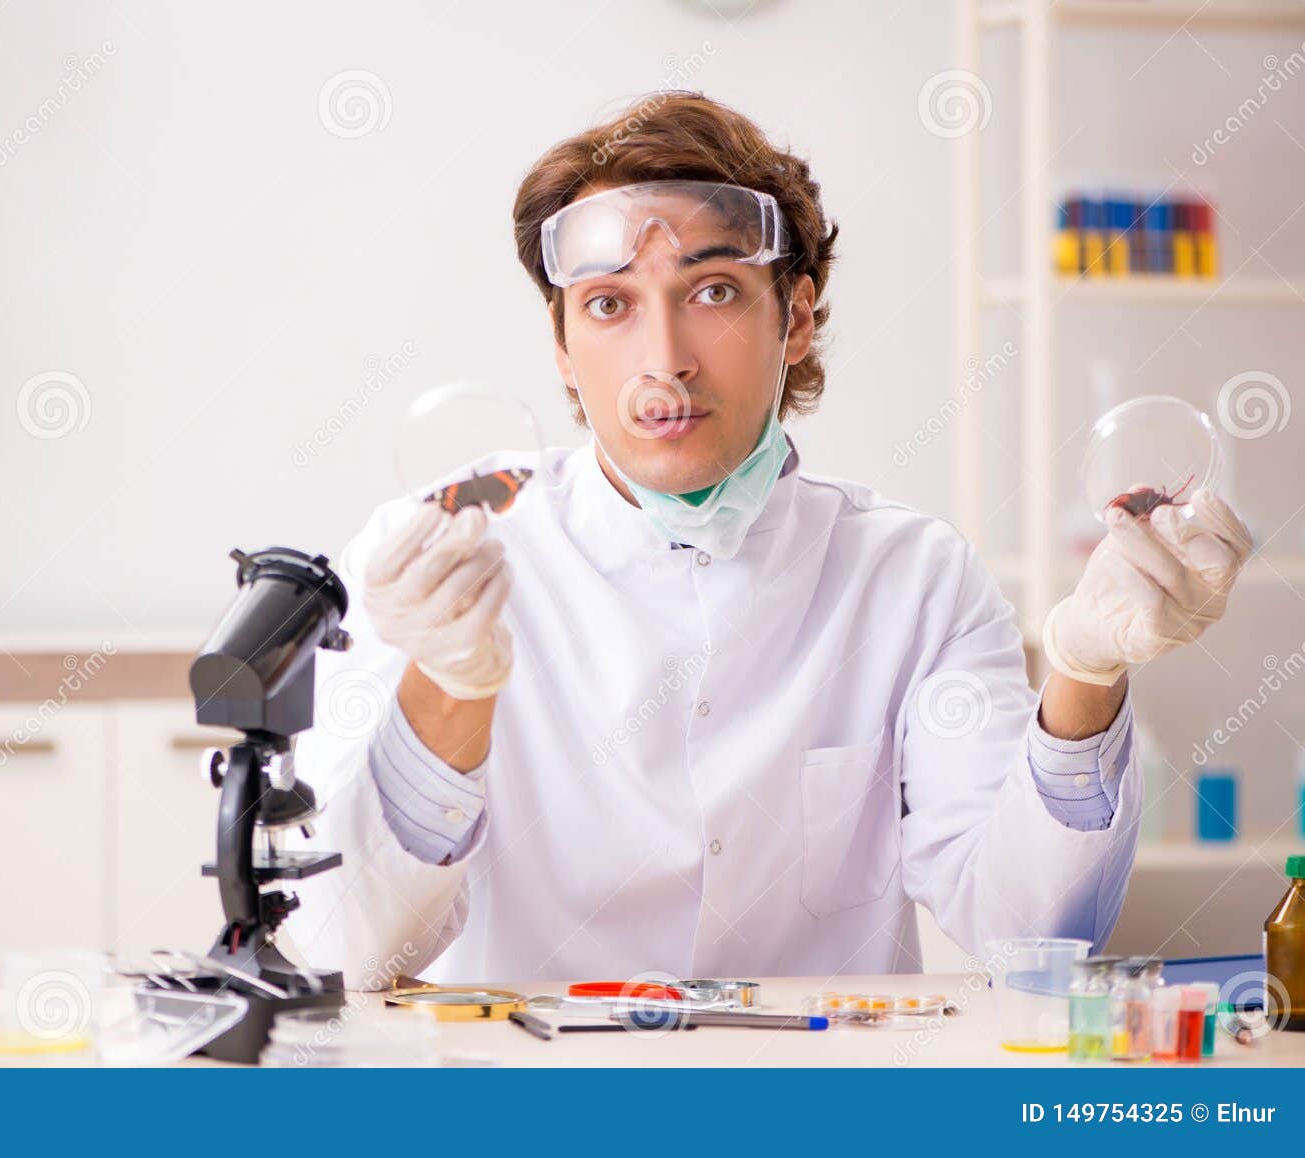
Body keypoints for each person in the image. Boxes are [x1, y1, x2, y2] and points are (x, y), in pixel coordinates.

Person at [285, 92, 1253, 987]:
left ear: (792, 319)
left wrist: (1083, 677)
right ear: (561, 345)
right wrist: (448, 689)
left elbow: (1029, 935)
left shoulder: (909, 575)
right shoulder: (441, 556)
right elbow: (351, 949)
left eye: (711, 292)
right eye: (610, 304)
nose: (662, 359)